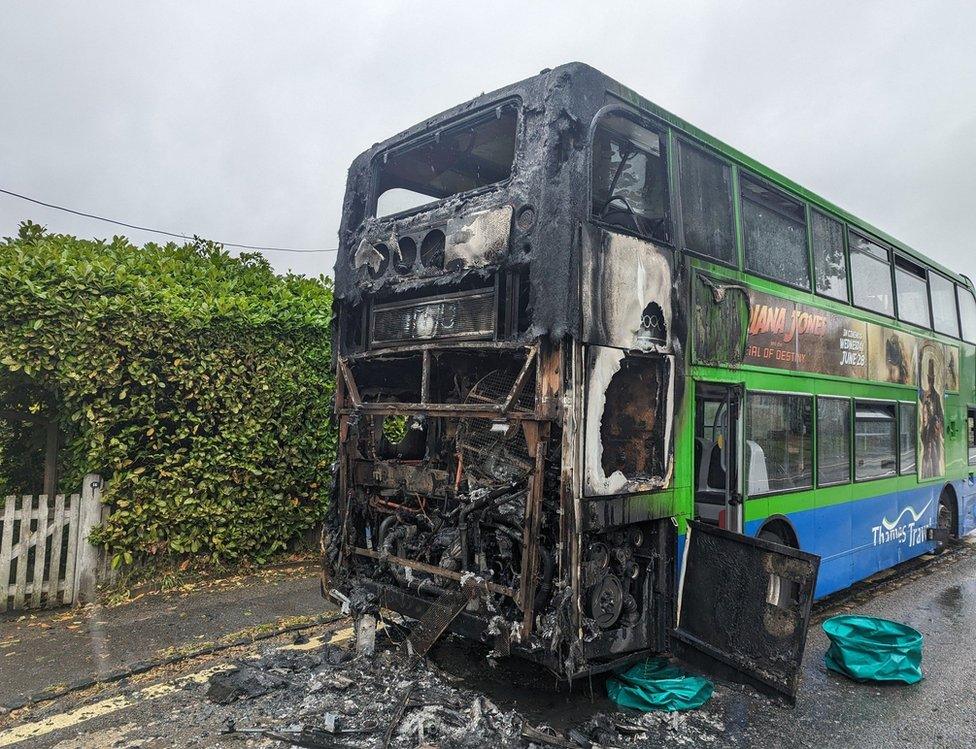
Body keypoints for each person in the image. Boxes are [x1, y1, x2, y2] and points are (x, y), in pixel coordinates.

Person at [920, 357, 945, 478]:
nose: (931, 380)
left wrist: (937, 424)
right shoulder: (924, 395)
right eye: (929, 377)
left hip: (934, 435)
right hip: (927, 435)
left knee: (935, 458)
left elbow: (941, 416)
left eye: (932, 377)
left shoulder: (937, 396)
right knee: (927, 458)